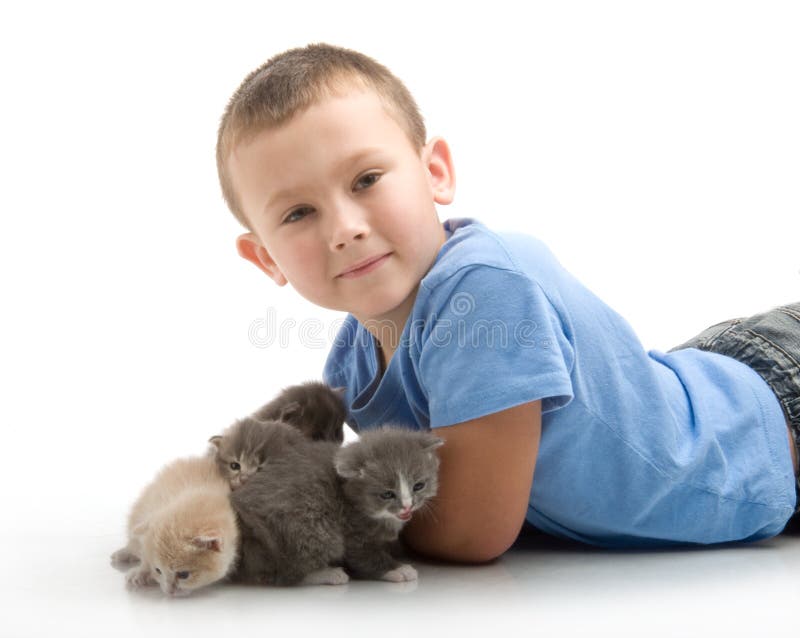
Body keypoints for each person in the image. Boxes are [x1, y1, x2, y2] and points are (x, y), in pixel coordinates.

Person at [215, 42, 800, 561]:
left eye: (366, 179)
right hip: (715, 386)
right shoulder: (351, 361)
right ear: (266, 257)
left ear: (435, 172)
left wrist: (302, 519)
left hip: (776, 416)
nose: (344, 227)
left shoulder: (484, 292)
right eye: (298, 213)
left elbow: (471, 531)